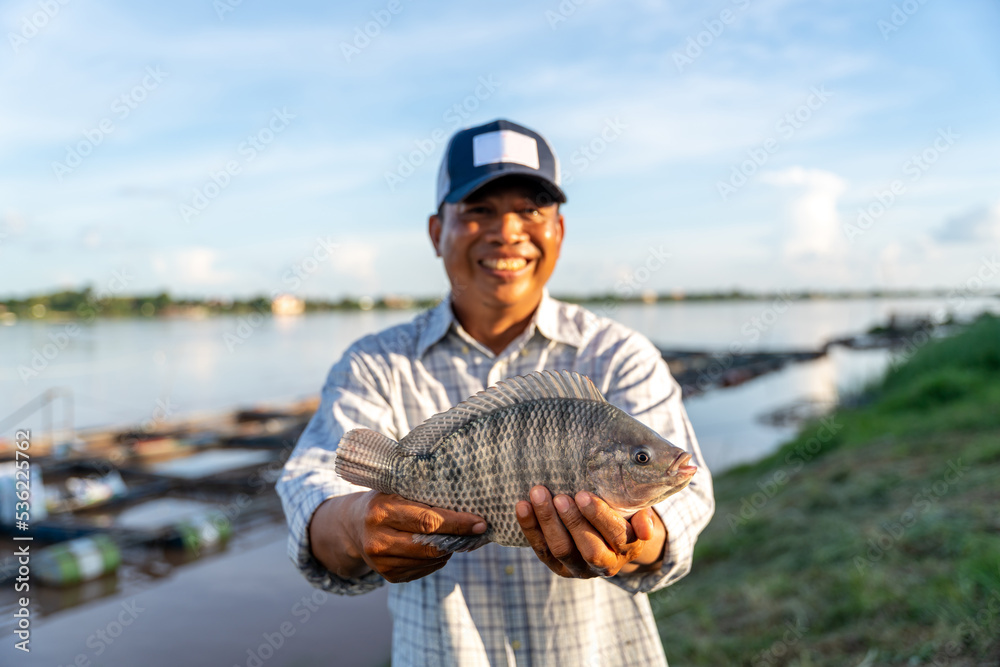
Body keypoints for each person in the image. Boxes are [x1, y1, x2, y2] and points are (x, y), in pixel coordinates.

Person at [276, 119, 715, 666]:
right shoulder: (374, 362)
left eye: (531, 209)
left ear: (558, 229)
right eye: (478, 210)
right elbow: (310, 484)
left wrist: (633, 546)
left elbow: (689, 505)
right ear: (437, 232)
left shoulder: (620, 353)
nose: (507, 232)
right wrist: (354, 523)